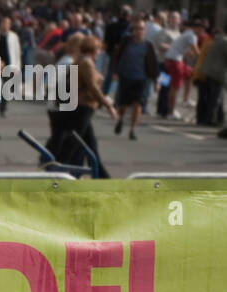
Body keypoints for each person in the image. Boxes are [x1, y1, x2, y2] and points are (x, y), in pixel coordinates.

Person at [48, 36, 117, 178]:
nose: (99, 52)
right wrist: (108, 105)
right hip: (83, 106)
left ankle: (103, 177)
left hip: (80, 106)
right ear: (92, 50)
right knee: (75, 142)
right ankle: (59, 171)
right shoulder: (86, 63)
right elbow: (93, 87)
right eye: (98, 49)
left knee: (90, 144)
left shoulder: (80, 61)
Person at [106, 18, 159, 140]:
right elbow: (116, 56)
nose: (138, 31)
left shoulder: (148, 46)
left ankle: (132, 129)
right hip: (125, 77)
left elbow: (153, 64)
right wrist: (114, 72)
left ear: (145, 30)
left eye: (141, 29)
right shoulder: (126, 42)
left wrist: (156, 81)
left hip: (141, 79)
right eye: (135, 29)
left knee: (137, 104)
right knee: (122, 105)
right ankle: (120, 119)